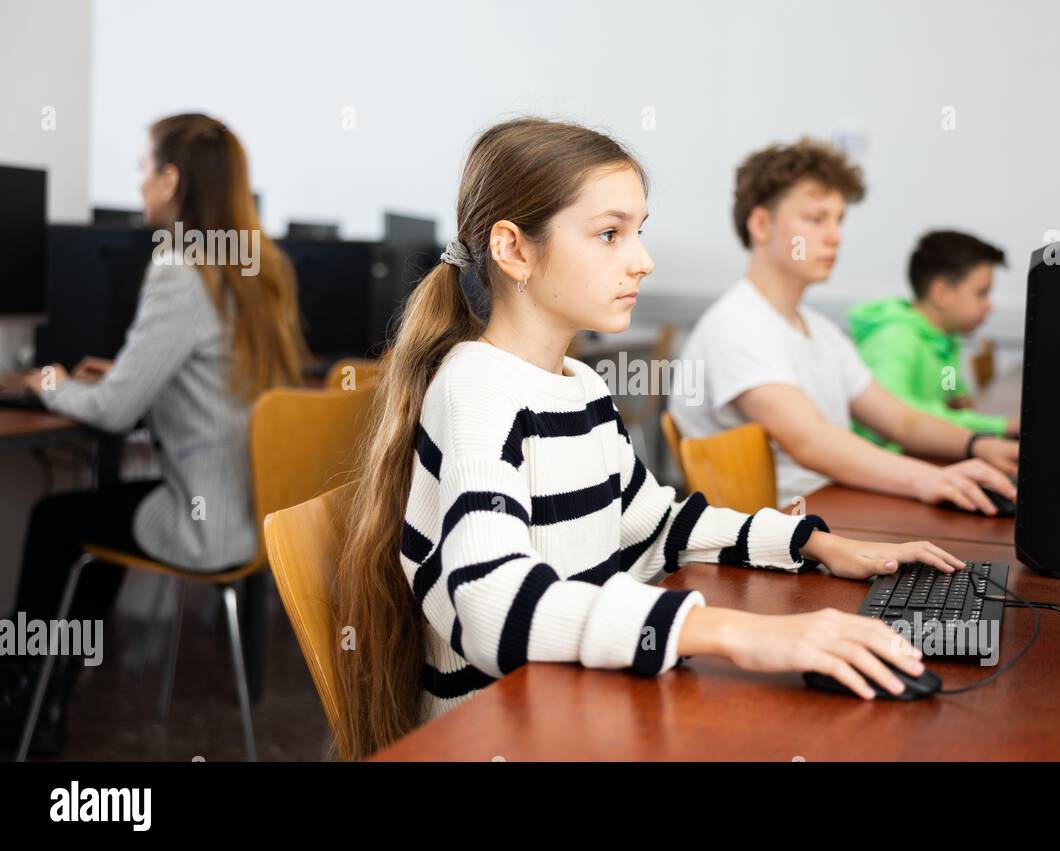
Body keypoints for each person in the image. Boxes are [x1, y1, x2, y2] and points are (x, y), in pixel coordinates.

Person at [333, 118, 967, 760]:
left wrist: (815, 543)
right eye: (610, 233)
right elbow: (490, 604)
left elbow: (655, 528)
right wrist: (727, 632)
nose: (643, 259)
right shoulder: (475, 390)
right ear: (514, 250)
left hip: (572, 706)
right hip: (504, 729)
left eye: (638, 231)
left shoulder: (579, 386)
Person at [0, 113, 309, 755]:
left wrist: (43, 383)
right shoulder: (256, 267)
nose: (139, 183)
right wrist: (133, 371)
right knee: (95, 521)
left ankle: (24, 693)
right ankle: (52, 690)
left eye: (145, 168)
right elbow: (220, 371)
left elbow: (113, 412)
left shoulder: (178, 269)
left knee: (60, 522)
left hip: (207, 526)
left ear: (171, 180)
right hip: (254, 519)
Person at [670, 138, 1018, 511]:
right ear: (761, 224)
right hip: (778, 534)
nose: (835, 236)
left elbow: (899, 420)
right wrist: (929, 479)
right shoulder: (736, 326)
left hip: (832, 506)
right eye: (816, 219)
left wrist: (977, 444)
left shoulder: (819, 330)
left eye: (838, 220)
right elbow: (810, 441)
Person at [848, 230, 1018, 450]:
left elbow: (948, 401)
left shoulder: (945, 339)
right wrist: (998, 427)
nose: (990, 305)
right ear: (942, 293)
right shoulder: (895, 339)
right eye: (981, 293)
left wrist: (958, 396)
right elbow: (899, 416)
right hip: (880, 467)